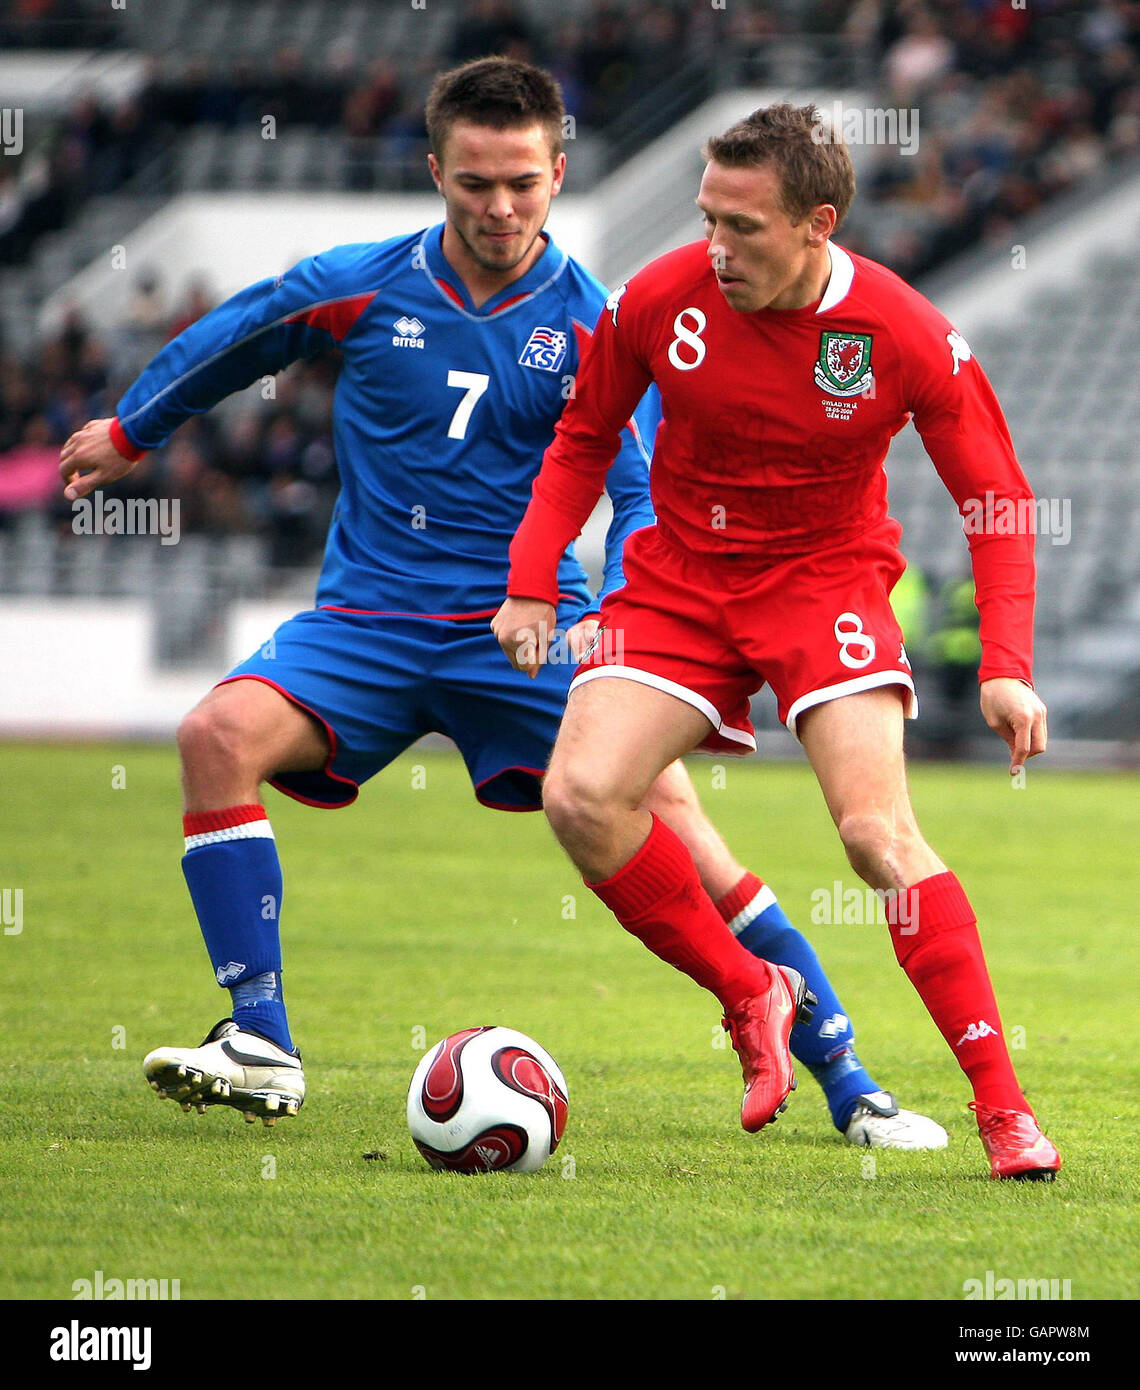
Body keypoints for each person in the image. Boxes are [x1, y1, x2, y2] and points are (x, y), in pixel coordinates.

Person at [59, 61, 943, 1150]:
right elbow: (240, 334)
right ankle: (262, 1043)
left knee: (684, 837)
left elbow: (641, 495)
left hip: (527, 633)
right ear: (437, 171)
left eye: (523, 182)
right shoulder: (363, 284)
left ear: (558, 175)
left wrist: (615, 623)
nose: (500, 206)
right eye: (475, 182)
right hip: (368, 622)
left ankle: (849, 1081)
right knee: (215, 737)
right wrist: (133, 429)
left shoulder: (598, 326)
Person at [493, 102, 1060, 1180]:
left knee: (875, 837)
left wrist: (1006, 667)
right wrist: (532, 584)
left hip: (823, 583)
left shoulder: (900, 332)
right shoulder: (661, 297)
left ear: (819, 224)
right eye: (709, 218)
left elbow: (999, 498)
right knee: (579, 794)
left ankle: (1004, 1110)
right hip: (679, 582)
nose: (716, 247)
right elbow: (584, 438)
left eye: (743, 227)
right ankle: (753, 988)